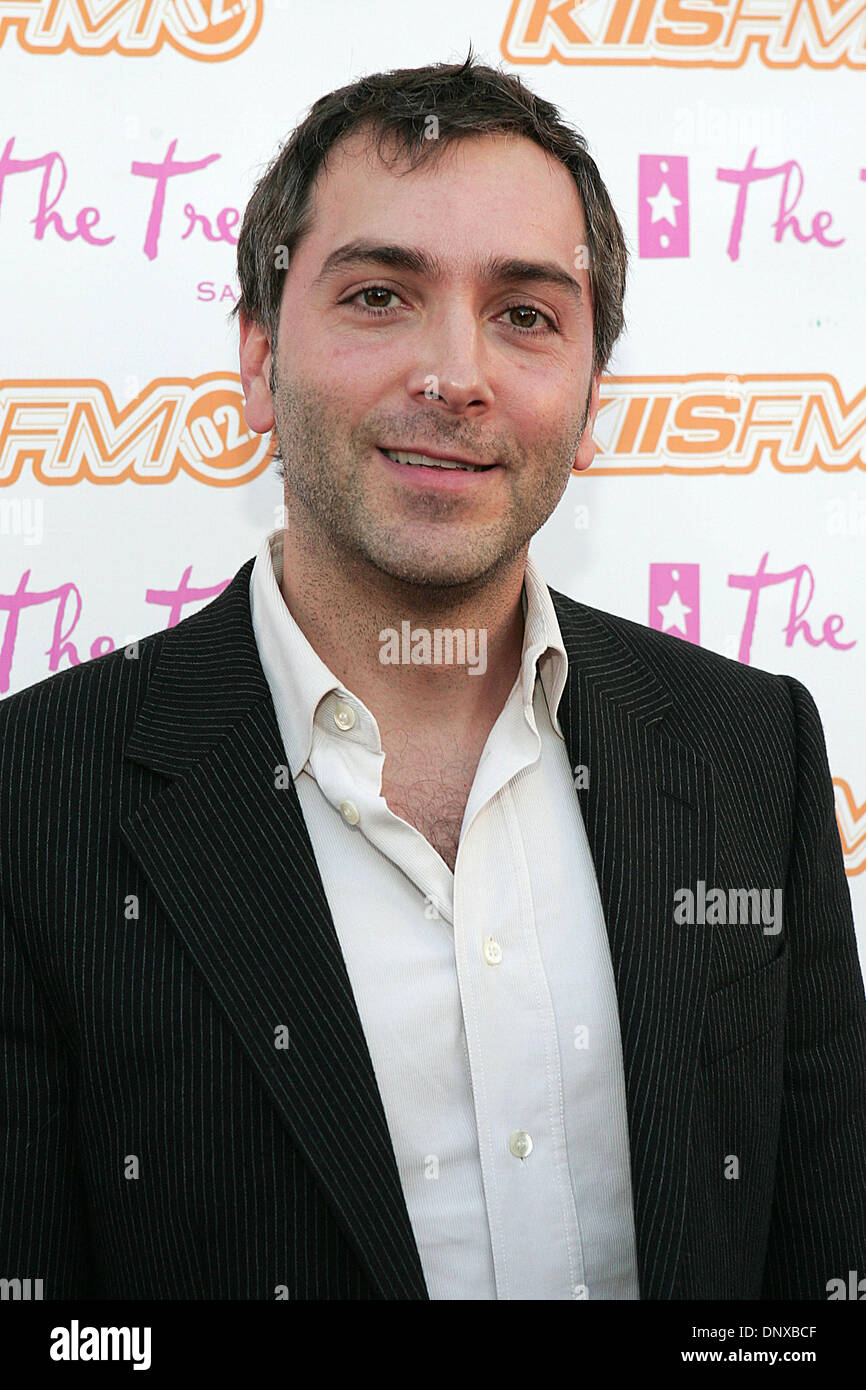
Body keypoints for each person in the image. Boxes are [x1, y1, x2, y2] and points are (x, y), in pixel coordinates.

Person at [1, 51, 864, 1302]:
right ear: (254, 355)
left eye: (524, 314)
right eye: (376, 295)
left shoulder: (749, 748)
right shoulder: (33, 799)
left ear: (586, 396)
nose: (455, 374)